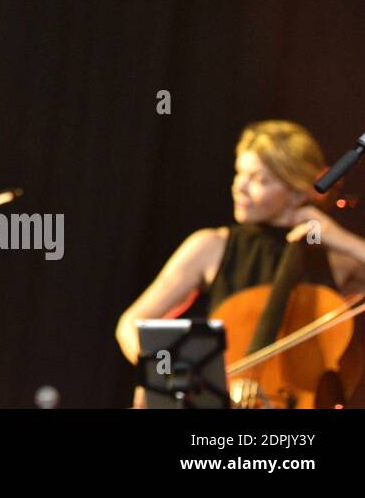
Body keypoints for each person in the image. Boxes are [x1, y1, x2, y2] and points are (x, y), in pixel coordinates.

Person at [116, 120, 365, 404]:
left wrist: (338, 236)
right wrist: (172, 372)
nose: (240, 187)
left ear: (297, 191)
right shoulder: (212, 245)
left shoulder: (335, 259)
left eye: (259, 180)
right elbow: (131, 324)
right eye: (239, 173)